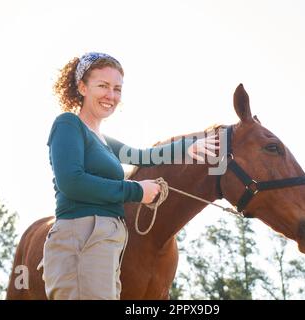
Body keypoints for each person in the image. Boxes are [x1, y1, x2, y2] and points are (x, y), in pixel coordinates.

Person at [43, 52, 219, 300]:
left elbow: (142, 156)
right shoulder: (68, 125)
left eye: (117, 89)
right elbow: (71, 182)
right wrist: (138, 191)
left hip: (107, 241)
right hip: (82, 235)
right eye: (102, 86)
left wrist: (187, 147)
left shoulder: (103, 141)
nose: (111, 95)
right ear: (82, 87)